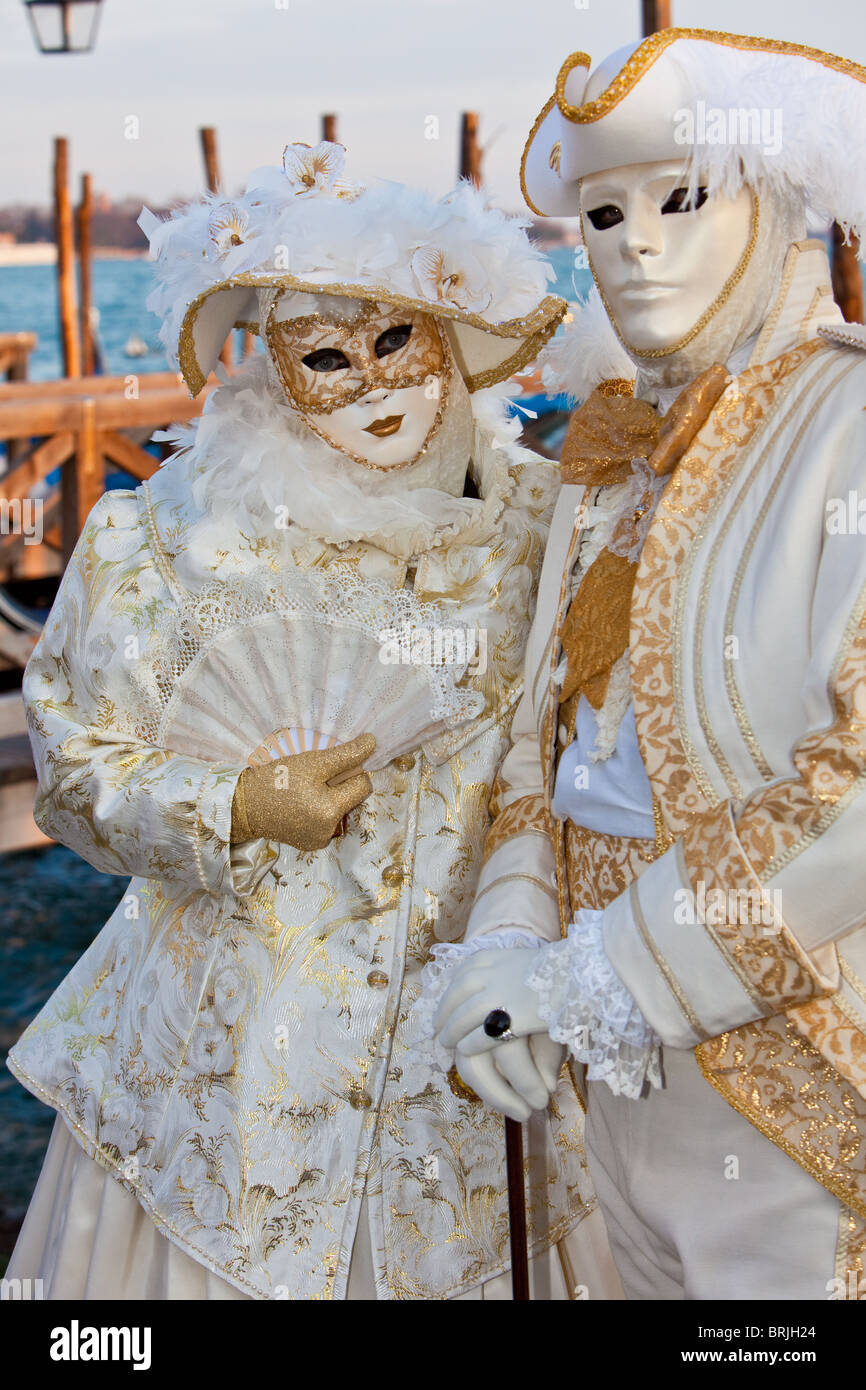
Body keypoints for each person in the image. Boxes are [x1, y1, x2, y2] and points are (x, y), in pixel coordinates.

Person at [7, 141, 605, 1300]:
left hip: (471, 1070)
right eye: (324, 357)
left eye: (395, 342)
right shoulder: (168, 541)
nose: (375, 386)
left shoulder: (552, 525)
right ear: (271, 368)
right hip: (216, 1089)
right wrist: (229, 804)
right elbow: (71, 770)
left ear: (451, 339)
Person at [426, 31, 866, 1300]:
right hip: (604, 1090)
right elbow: (540, 749)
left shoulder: (850, 429)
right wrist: (507, 951)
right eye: (601, 213)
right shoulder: (601, 462)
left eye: (680, 199)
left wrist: (594, 975)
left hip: (796, 1059)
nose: (629, 243)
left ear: (778, 202)